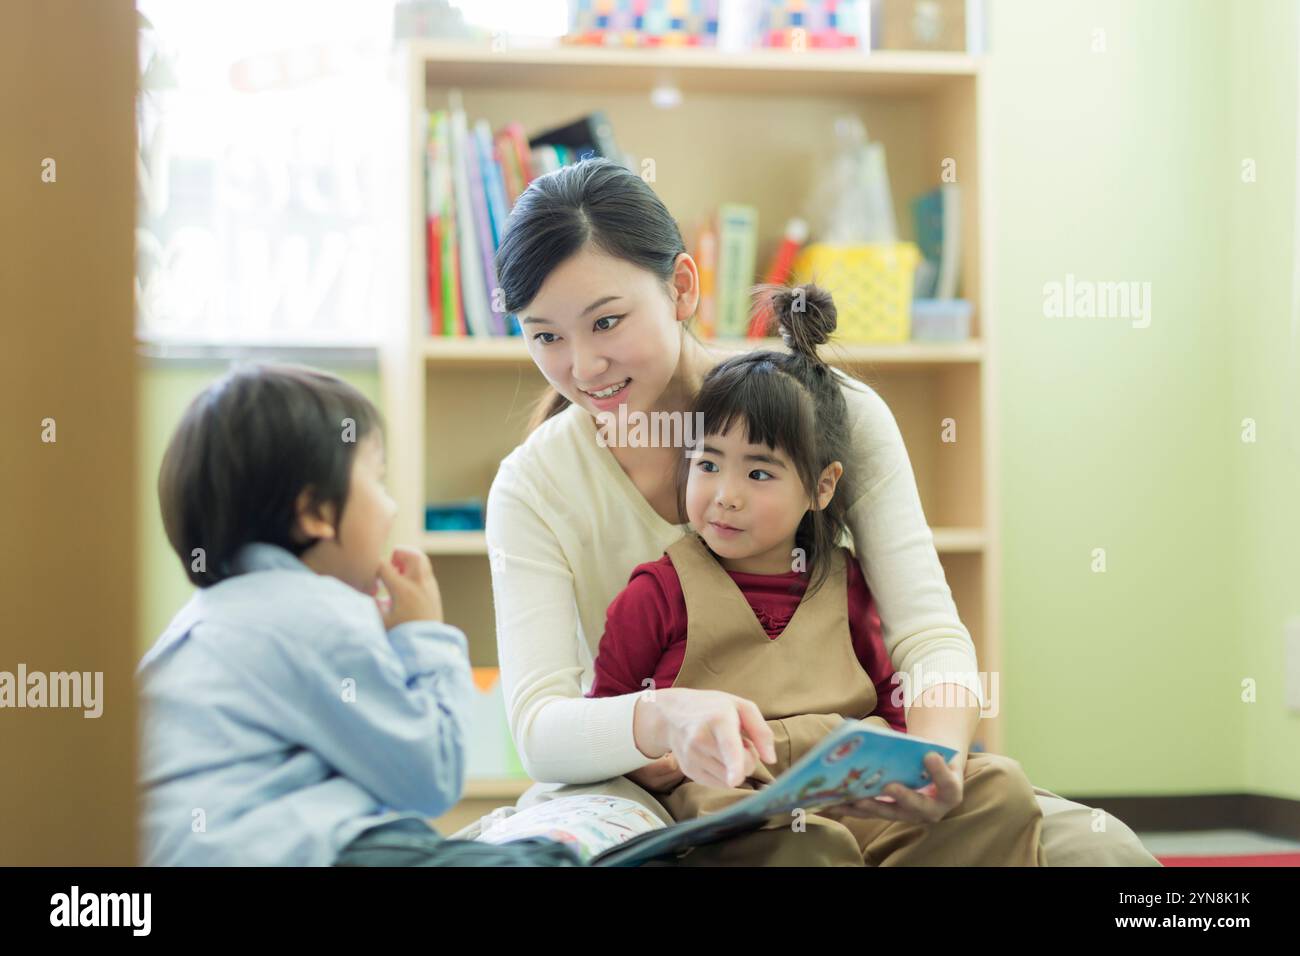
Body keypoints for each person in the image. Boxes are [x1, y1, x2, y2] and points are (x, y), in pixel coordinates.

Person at [477, 158, 1160, 866]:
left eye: (607, 322)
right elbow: (539, 726)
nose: (582, 366)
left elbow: (929, 637)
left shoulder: (835, 415)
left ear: (681, 287)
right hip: (670, 789)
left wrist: (936, 767)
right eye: (545, 336)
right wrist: (662, 719)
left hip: (850, 767)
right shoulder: (535, 487)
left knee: (1105, 856)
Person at [586, 283, 1046, 865]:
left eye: (759, 473)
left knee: (1001, 789)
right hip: (740, 801)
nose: (725, 496)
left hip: (848, 784)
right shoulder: (657, 592)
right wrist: (658, 760)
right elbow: (604, 726)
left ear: (823, 487)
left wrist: (916, 769)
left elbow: (893, 701)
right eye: (707, 463)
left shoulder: (847, 584)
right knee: (812, 844)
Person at [137, 363, 580, 867]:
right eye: (379, 481)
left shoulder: (191, 629)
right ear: (317, 514)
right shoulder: (314, 614)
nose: (390, 509)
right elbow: (431, 777)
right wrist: (424, 634)